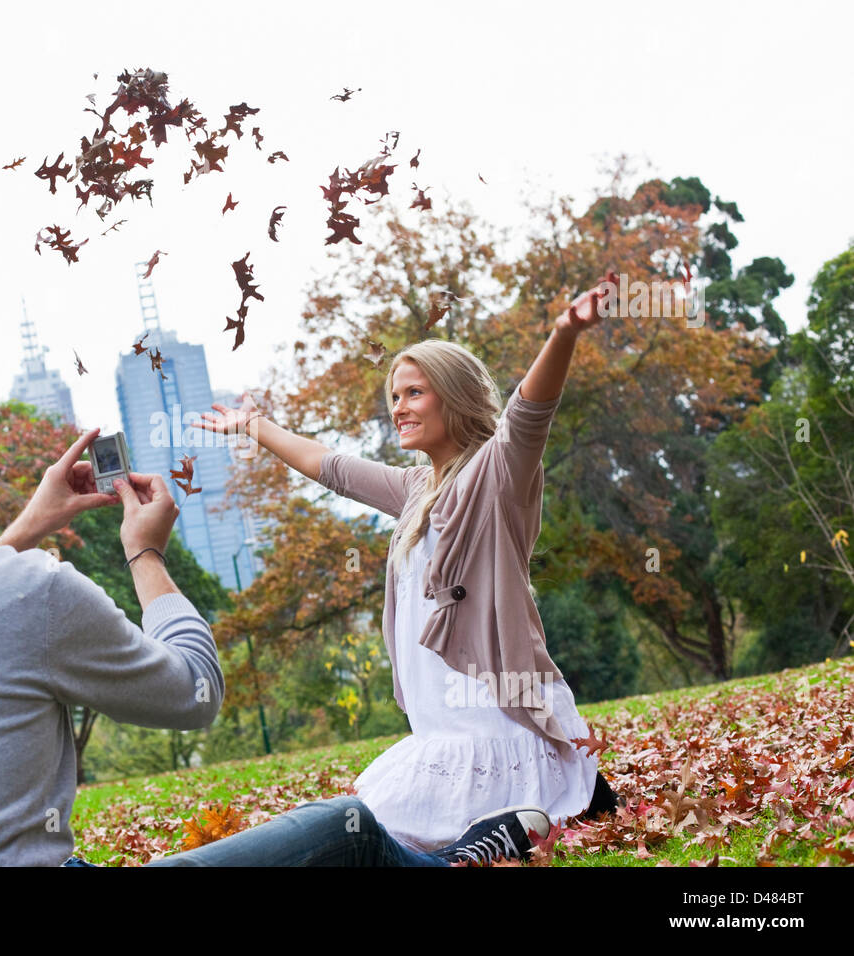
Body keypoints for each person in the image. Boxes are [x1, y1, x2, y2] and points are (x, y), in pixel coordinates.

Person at [0, 347, 550, 866]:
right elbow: (194, 692)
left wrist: (32, 522)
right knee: (335, 833)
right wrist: (145, 555)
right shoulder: (30, 591)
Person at [197, 276, 622, 854]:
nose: (399, 408)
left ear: (454, 396)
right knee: (366, 834)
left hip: (495, 722)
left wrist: (564, 332)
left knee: (377, 841)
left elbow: (529, 412)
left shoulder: (498, 473)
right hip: (440, 723)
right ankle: (512, 830)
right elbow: (333, 467)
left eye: (414, 393)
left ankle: (517, 825)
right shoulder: (417, 487)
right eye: (394, 396)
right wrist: (254, 426)